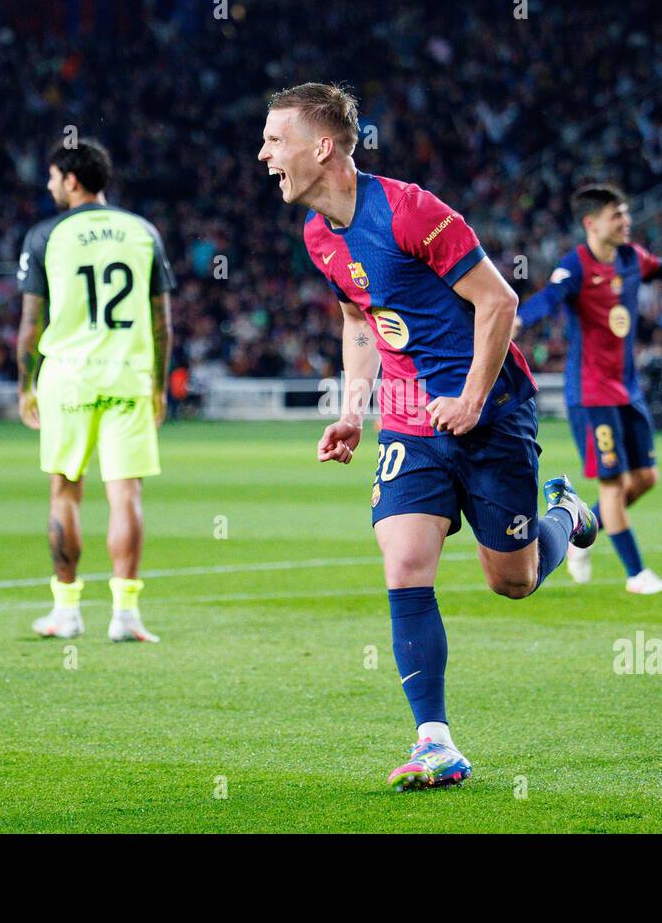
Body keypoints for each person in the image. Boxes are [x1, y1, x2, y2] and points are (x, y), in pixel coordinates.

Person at [259, 82, 597, 791]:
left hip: (493, 412)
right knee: (405, 563)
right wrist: (355, 411)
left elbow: (499, 301)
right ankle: (436, 742)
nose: (264, 154)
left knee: (514, 580)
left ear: (321, 147)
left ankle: (566, 513)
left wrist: (473, 399)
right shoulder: (318, 235)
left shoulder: (410, 210)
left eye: (274, 139)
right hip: (410, 423)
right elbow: (360, 320)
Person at [512, 184, 662, 592]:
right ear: (591, 223)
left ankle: (580, 526)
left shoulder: (632, 258)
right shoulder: (577, 266)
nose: (627, 222)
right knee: (614, 485)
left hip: (628, 389)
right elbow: (548, 298)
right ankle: (637, 573)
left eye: (626, 214)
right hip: (591, 392)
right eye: (617, 216)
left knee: (646, 478)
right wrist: (518, 321)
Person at [17, 140, 174, 644]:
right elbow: (162, 322)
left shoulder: (46, 235)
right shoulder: (143, 232)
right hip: (128, 374)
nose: (48, 185)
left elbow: (28, 322)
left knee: (66, 491)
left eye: (52, 176)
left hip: (68, 378)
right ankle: (126, 615)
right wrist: (158, 386)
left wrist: (25, 387)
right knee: (125, 493)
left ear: (71, 179)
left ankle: (66, 612)